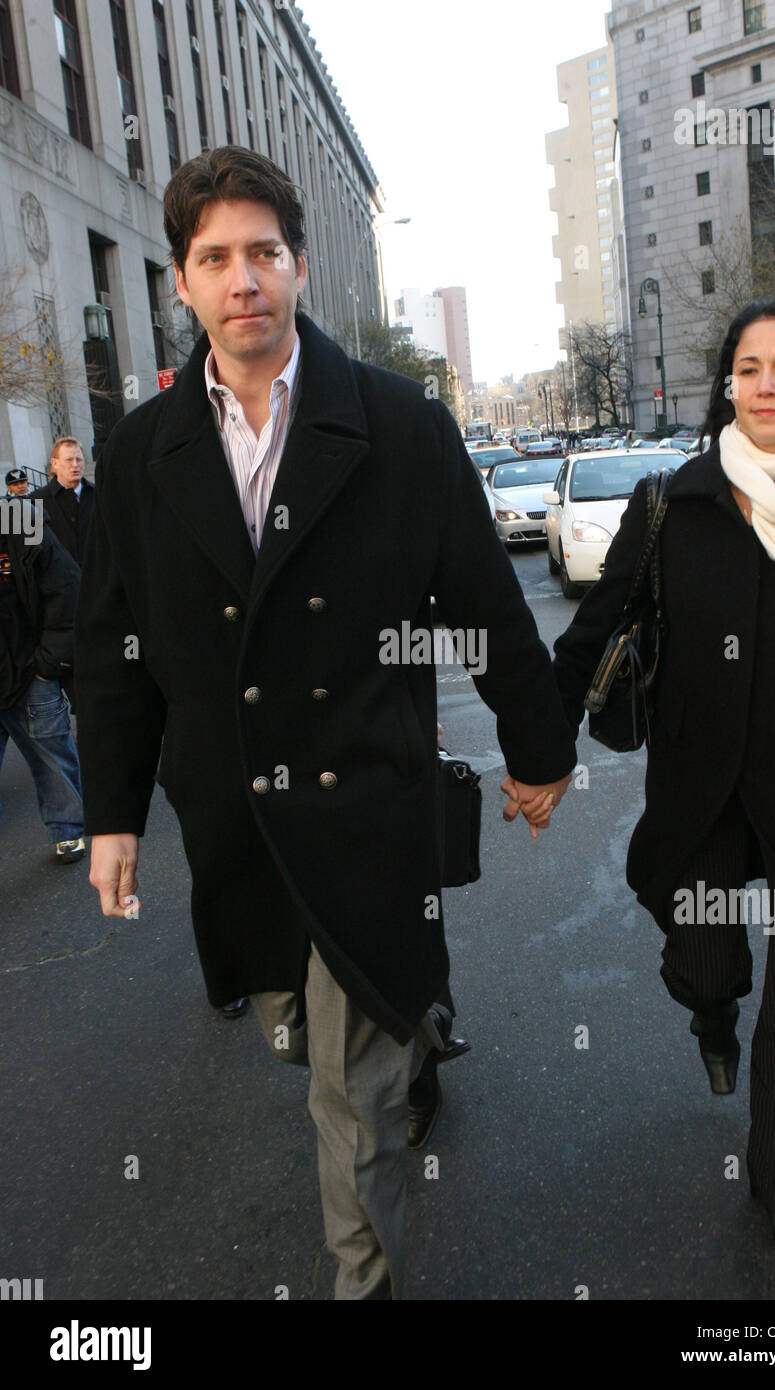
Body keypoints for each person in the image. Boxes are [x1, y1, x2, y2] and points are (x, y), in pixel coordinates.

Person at [73, 146, 575, 1300]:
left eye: (262, 253)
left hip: (367, 811)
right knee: (292, 1034)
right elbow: (111, 654)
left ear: (298, 267)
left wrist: (538, 749)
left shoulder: (395, 424)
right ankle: (414, 1024)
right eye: (215, 259)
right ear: (183, 282)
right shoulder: (141, 454)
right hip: (235, 823)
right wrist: (111, 814)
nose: (242, 277)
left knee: (349, 1101)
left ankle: (365, 1284)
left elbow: (485, 604)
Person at [552, 300, 775, 1280]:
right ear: (727, 384)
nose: (764, 384)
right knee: (705, 959)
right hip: (698, 791)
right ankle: (705, 1004)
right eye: (746, 367)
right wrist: (536, 749)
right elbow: (590, 631)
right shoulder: (672, 503)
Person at [0, 495, 85, 862]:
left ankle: (67, 830)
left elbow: (66, 588)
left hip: (29, 671)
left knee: (51, 751)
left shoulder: (19, 519)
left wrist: (47, 664)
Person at [31, 438, 95, 566]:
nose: (75, 465)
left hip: (97, 579)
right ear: (54, 463)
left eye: (79, 459)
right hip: (58, 581)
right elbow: (32, 551)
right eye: (69, 460)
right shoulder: (36, 501)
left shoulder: (98, 495)